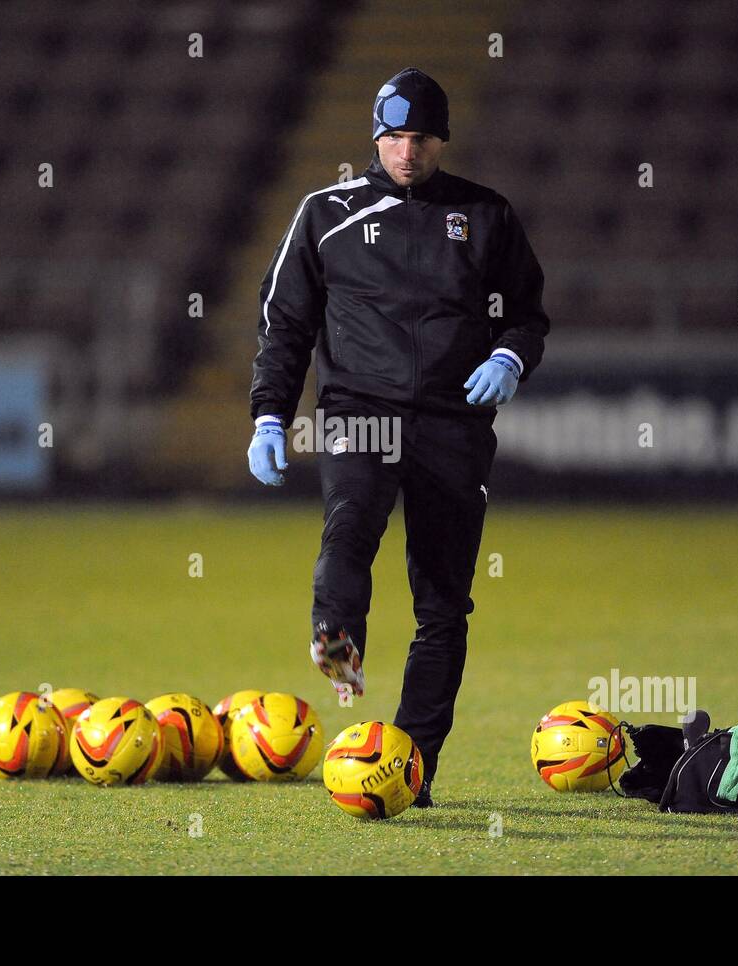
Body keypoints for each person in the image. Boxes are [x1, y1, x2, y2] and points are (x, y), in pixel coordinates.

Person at [247, 67, 551, 806]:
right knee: (349, 526)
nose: (405, 152)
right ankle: (337, 640)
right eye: (392, 137)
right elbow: (285, 322)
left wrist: (511, 356)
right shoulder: (325, 213)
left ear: (441, 139)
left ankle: (411, 765)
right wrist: (268, 414)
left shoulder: (487, 215)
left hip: (454, 424)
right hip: (362, 410)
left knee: (443, 604)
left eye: (419, 138)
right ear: (374, 138)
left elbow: (527, 314)